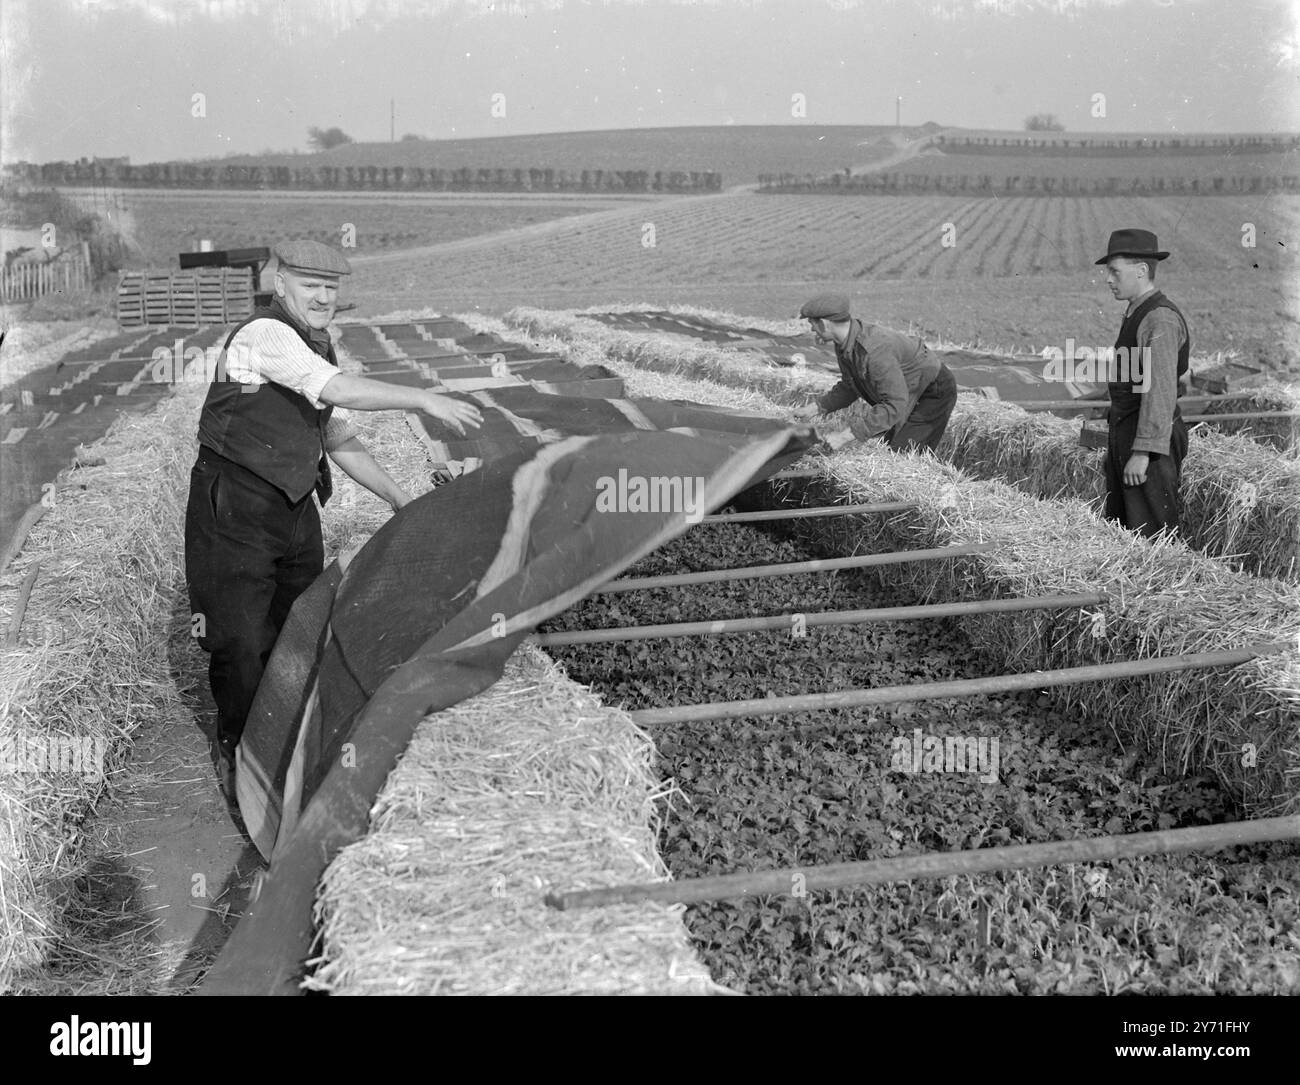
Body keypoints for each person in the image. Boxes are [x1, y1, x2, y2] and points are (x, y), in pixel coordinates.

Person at [185, 239, 483, 799]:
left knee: (298, 628)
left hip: (295, 506)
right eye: (310, 285)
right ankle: (242, 764)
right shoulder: (265, 333)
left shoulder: (318, 341)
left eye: (331, 287)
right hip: (237, 507)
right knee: (242, 639)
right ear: (280, 285)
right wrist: (423, 399)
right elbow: (334, 389)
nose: (323, 297)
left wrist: (397, 497)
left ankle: (286, 746)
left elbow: (335, 434)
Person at [1095, 228, 1190, 537]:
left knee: (1151, 540)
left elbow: (1159, 390)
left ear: (1141, 271)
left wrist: (1143, 454)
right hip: (1130, 433)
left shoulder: (1158, 318)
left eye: (1114, 271)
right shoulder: (1136, 312)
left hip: (1148, 444)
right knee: (1125, 534)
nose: (1108, 279)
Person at [791, 293, 956, 452]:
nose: (812, 330)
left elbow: (894, 404)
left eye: (812, 324)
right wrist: (813, 409)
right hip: (907, 390)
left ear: (825, 323)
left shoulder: (873, 350)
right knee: (887, 448)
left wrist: (843, 437)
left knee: (901, 457)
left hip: (931, 393)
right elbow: (850, 386)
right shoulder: (844, 342)